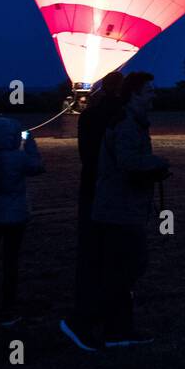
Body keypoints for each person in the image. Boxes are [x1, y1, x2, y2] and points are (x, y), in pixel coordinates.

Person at [93, 71, 170, 346]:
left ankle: (117, 328)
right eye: (149, 90)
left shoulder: (132, 122)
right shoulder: (127, 124)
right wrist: (157, 163)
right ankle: (103, 324)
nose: (154, 95)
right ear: (135, 94)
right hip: (120, 209)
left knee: (126, 267)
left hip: (123, 206)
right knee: (129, 266)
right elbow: (127, 162)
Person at [62, 70, 124, 351]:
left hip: (93, 189)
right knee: (112, 256)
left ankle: (101, 315)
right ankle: (97, 316)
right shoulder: (118, 117)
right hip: (110, 193)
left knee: (95, 254)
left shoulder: (90, 116)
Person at [0, 117, 44, 329]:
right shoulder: (18, 159)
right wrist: (30, 144)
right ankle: (7, 311)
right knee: (10, 263)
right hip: (15, 217)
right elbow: (38, 167)